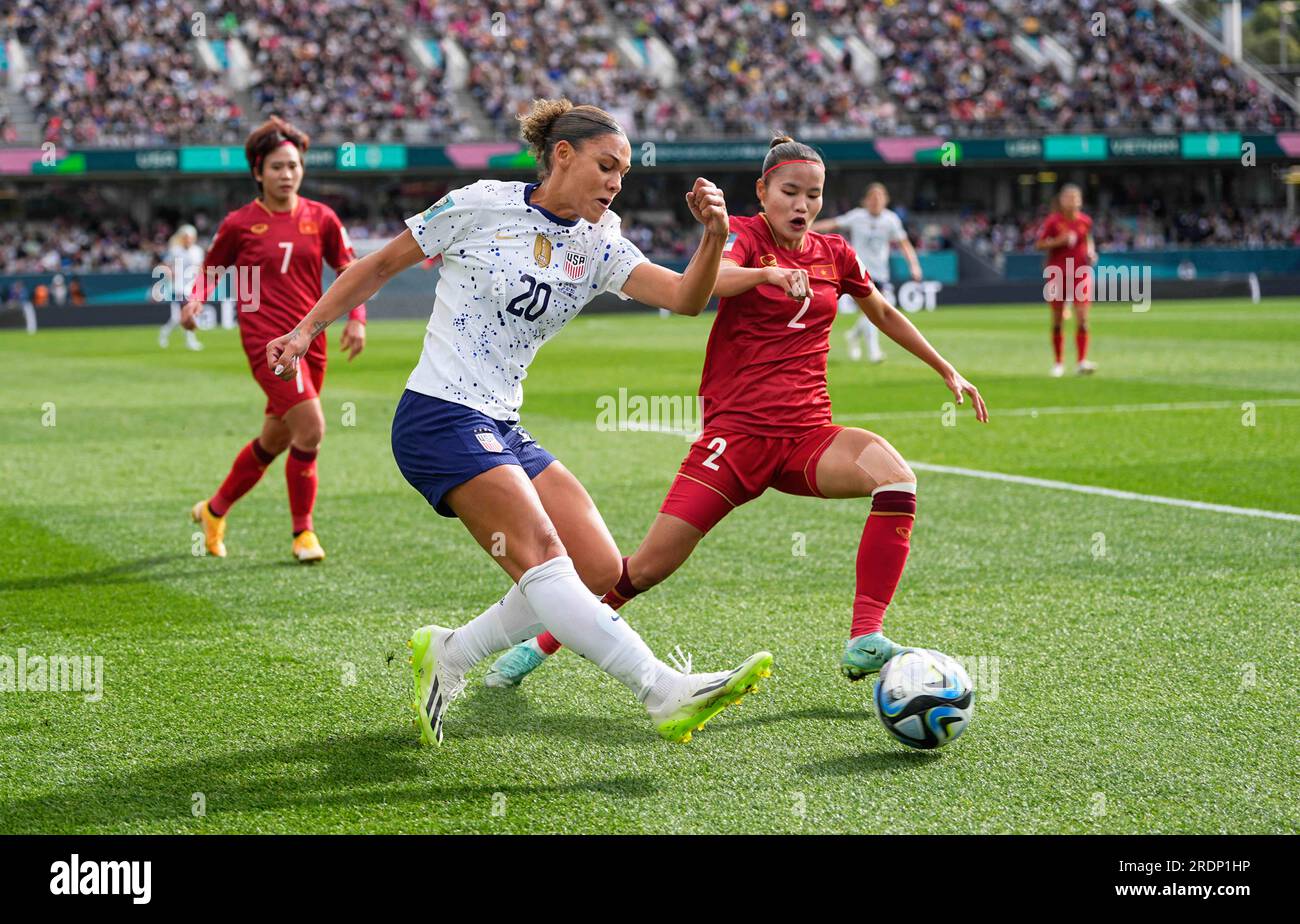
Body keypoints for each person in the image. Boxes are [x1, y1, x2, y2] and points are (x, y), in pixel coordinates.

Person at [265, 99, 773, 746]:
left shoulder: (599, 241)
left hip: (501, 423)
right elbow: (379, 266)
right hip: (439, 415)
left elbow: (684, 298)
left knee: (597, 570)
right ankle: (662, 691)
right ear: (563, 155)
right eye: (605, 165)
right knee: (542, 558)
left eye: (623, 172)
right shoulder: (483, 203)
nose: (617, 181)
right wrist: (307, 328)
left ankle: (451, 652)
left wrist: (712, 238)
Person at [487, 135, 987, 689]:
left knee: (896, 480)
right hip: (735, 442)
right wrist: (765, 274)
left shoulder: (835, 254)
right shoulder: (743, 237)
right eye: (790, 192)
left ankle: (865, 638)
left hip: (807, 439)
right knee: (643, 569)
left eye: (813, 196)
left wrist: (946, 368)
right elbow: (708, 285)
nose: (801, 206)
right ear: (763, 191)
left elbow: (884, 312)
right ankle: (542, 643)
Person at [182, 116, 368, 563]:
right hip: (267, 342)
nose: (287, 175)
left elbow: (351, 272)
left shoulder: (321, 218)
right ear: (258, 173)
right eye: (277, 168)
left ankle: (213, 510)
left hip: (312, 341)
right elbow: (212, 270)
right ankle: (303, 534)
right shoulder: (240, 224)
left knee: (275, 439)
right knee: (313, 428)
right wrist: (195, 301)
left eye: (294, 166)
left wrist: (356, 318)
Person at [812, 182, 921, 363]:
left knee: (877, 310)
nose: (875, 201)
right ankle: (874, 353)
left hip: (881, 273)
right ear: (865, 200)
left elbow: (904, 244)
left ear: (885, 200)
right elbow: (832, 224)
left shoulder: (891, 220)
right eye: (872, 197)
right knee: (874, 311)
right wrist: (808, 228)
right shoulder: (857, 216)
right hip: (858, 272)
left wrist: (914, 265)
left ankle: (854, 335)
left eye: (879, 197)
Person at [1036, 183, 1097, 377]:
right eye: (1068, 198)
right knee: (1058, 318)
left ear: (1080, 200)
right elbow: (1039, 244)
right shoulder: (1053, 222)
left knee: (1082, 317)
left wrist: (1092, 253)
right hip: (1058, 274)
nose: (1072, 201)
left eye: (1075, 197)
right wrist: (1058, 241)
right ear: (1061, 201)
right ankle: (1058, 362)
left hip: (1080, 274)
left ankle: (1081, 362)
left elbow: (1088, 240)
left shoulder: (1085, 221)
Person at [158, 224, 205, 351]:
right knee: (187, 315)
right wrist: (170, 272)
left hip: (191, 288)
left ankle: (164, 333)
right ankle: (190, 341)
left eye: (190, 237)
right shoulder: (175, 251)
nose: (188, 239)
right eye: (185, 237)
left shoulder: (197, 251)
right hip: (179, 288)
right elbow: (165, 265)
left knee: (178, 317)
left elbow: (200, 267)